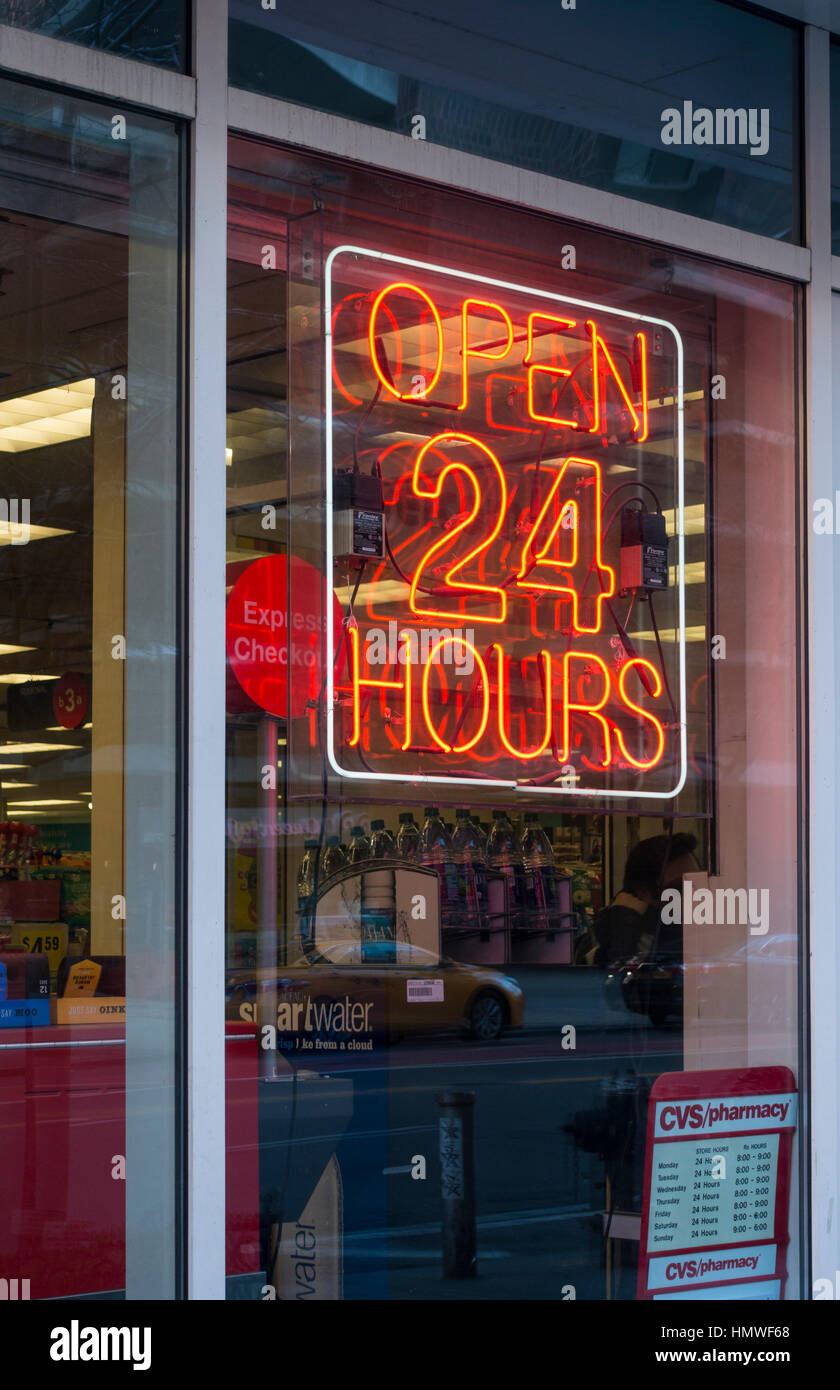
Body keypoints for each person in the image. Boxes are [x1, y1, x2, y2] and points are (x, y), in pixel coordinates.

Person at [574, 831, 699, 967]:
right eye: (680, 887)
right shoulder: (605, 936)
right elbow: (612, 982)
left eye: (698, 884)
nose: (695, 895)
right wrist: (625, 929)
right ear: (642, 892)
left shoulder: (691, 934)